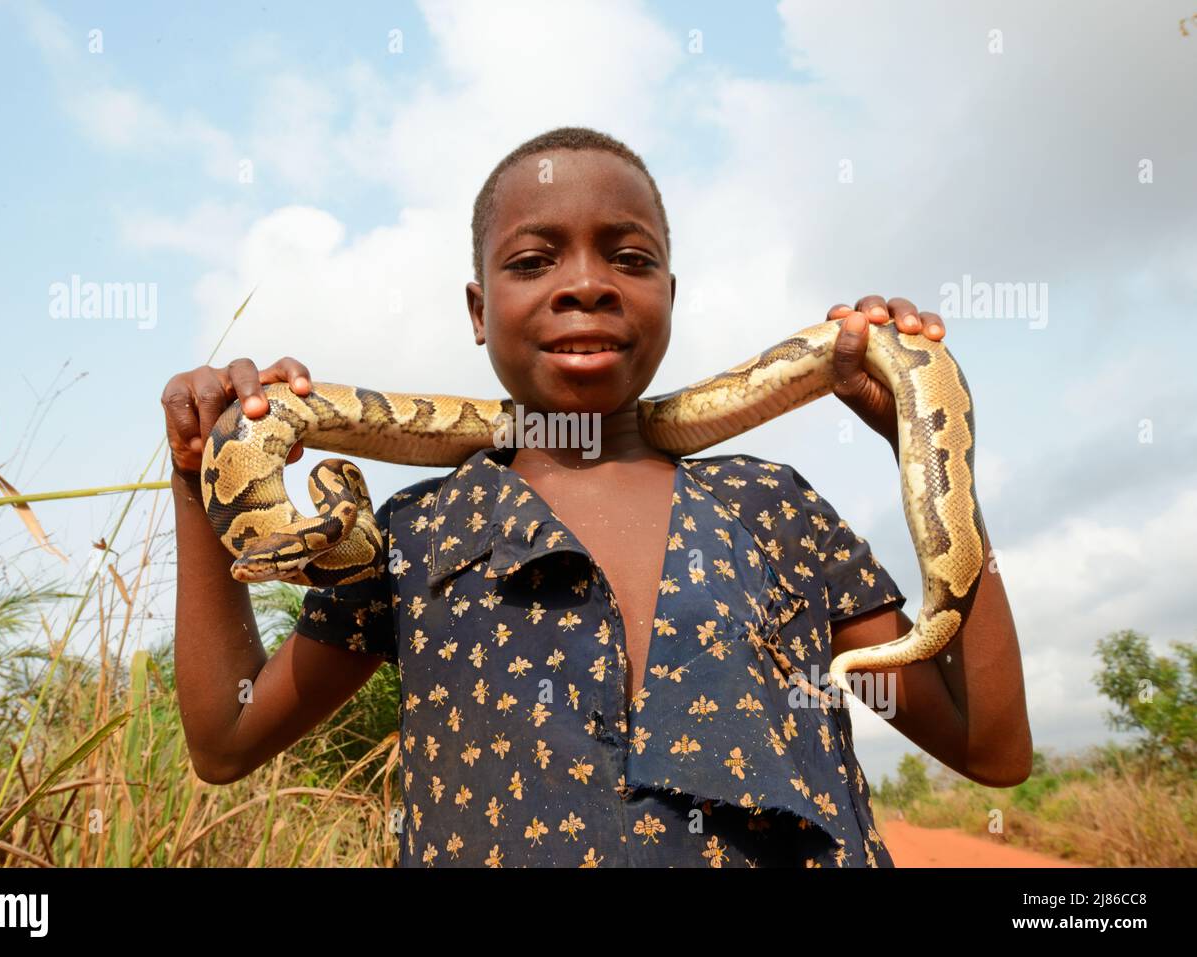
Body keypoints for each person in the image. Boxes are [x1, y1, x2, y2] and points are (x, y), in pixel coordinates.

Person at [162, 126, 1031, 867]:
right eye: (535, 260)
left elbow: (989, 748)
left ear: (669, 295)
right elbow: (226, 740)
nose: (587, 284)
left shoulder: (769, 509)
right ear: (478, 308)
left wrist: (922, 436)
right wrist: (203, 470)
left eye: (631, 257)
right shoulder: (417, 536)